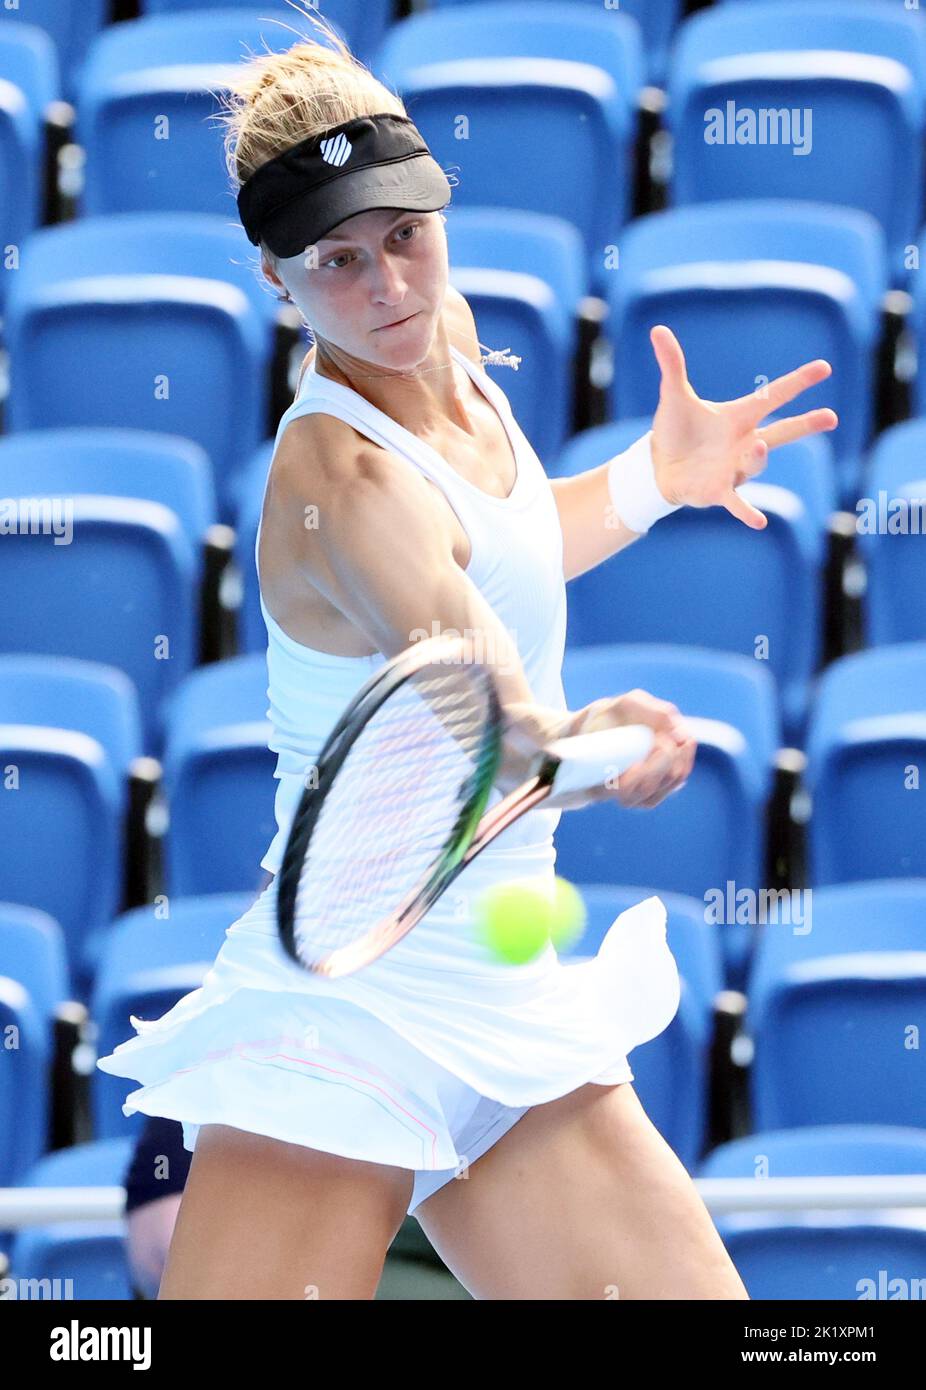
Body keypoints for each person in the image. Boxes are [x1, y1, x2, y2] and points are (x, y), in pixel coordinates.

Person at [98, 4, 837, 1300]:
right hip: (341, 1027)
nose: (385, 285)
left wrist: (653, 481)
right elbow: (480, 688)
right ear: (274, 283)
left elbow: (496, 552)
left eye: (404, 237)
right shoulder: (333, 473)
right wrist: (592, 745)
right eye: (336, 262)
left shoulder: (444, 349)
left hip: (497, 1001)